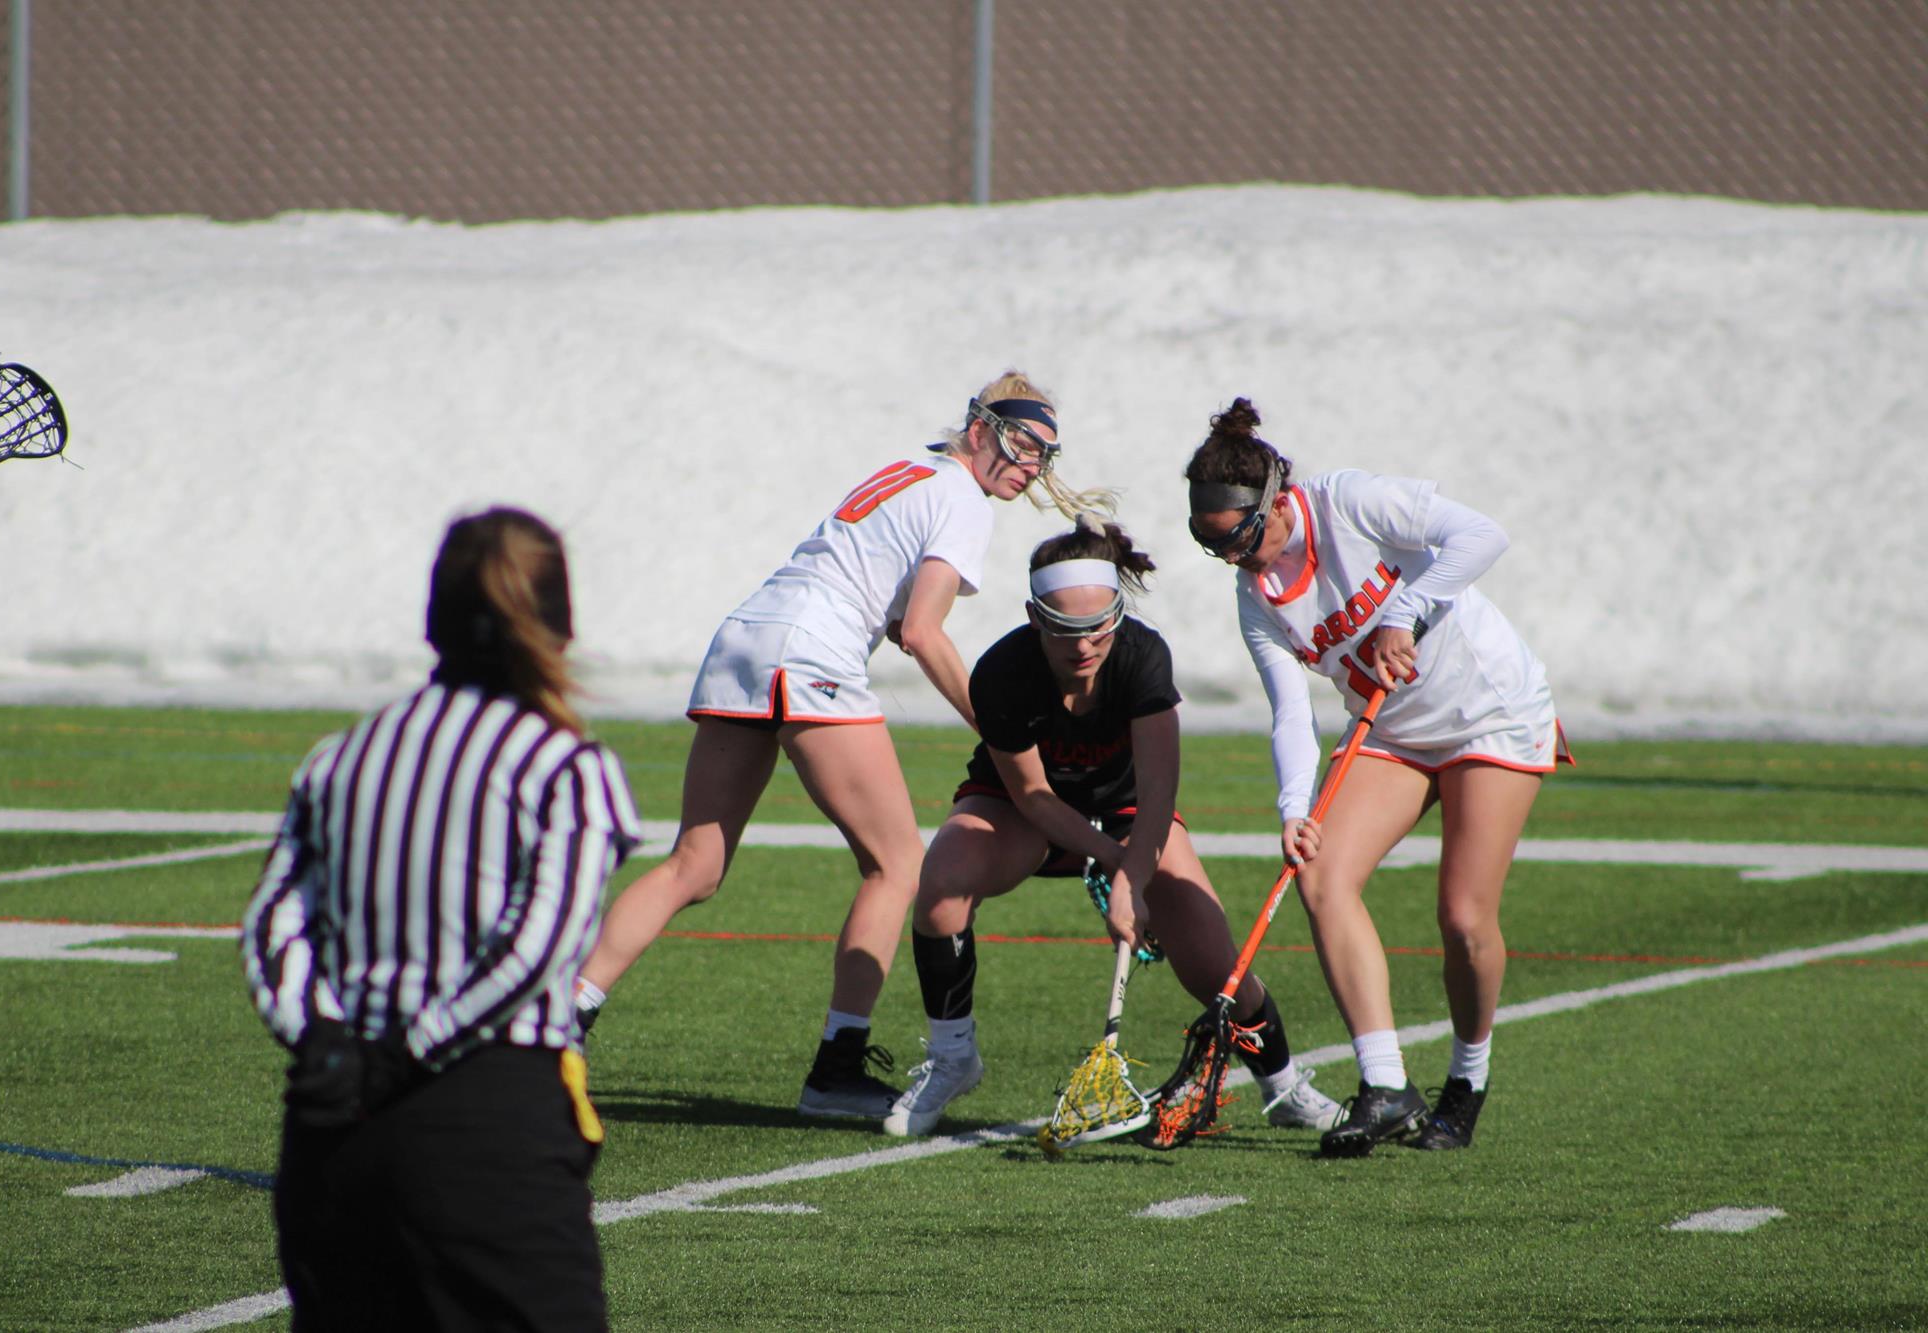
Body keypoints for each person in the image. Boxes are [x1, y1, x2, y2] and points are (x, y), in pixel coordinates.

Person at [575, 371, 1106, 1119]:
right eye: (1021, 442)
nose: (1031, 464)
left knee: (693, 864)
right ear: (978, 428)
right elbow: (921, 631)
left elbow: (887, 610)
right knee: (897, 865)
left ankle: (563, 1019)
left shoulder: (913, 471)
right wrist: (1001, 729)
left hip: (744, 637)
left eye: (1045, 453)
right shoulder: (961, 498)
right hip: (810, 653)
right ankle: (836, 1069)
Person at [242, 507, 640, 1330]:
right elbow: (538, 946)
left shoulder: (341, 754)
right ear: (560, 624)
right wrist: (409, 1051)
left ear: (434, 621)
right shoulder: (567, 766)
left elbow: (275, 922)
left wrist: (324, 1041)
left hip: (329, 1120)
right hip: (485, 1115)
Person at [1184, 398, 1569, 1157]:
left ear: (1275, 503)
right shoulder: (1256, 599)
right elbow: (1291, 712)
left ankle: (1467, 1080)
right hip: (1392, 730)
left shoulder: (1349, 503)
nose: (1232, 560)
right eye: (1212, 546)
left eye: (1238, 539)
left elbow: (1480, 534)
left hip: (1490, 713)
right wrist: (1293, 809)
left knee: (1463, 918)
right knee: (1320, 873)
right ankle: (1387, 1084)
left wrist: (1405, 611)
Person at [882, 517, 1344, 1137]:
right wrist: (1116, 865)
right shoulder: (1002, 673)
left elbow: (1157, 794)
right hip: (1024, 809)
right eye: (1066, 629)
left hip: (1132, 812)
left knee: (1213, 963)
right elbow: (1033, 795)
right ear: (1034, 616)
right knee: (943, 877)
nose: (1084, 646)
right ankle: (952, 1057)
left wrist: (1134, 872)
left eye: (1099, 626)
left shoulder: (1142, 655)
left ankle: (1282, 1085)